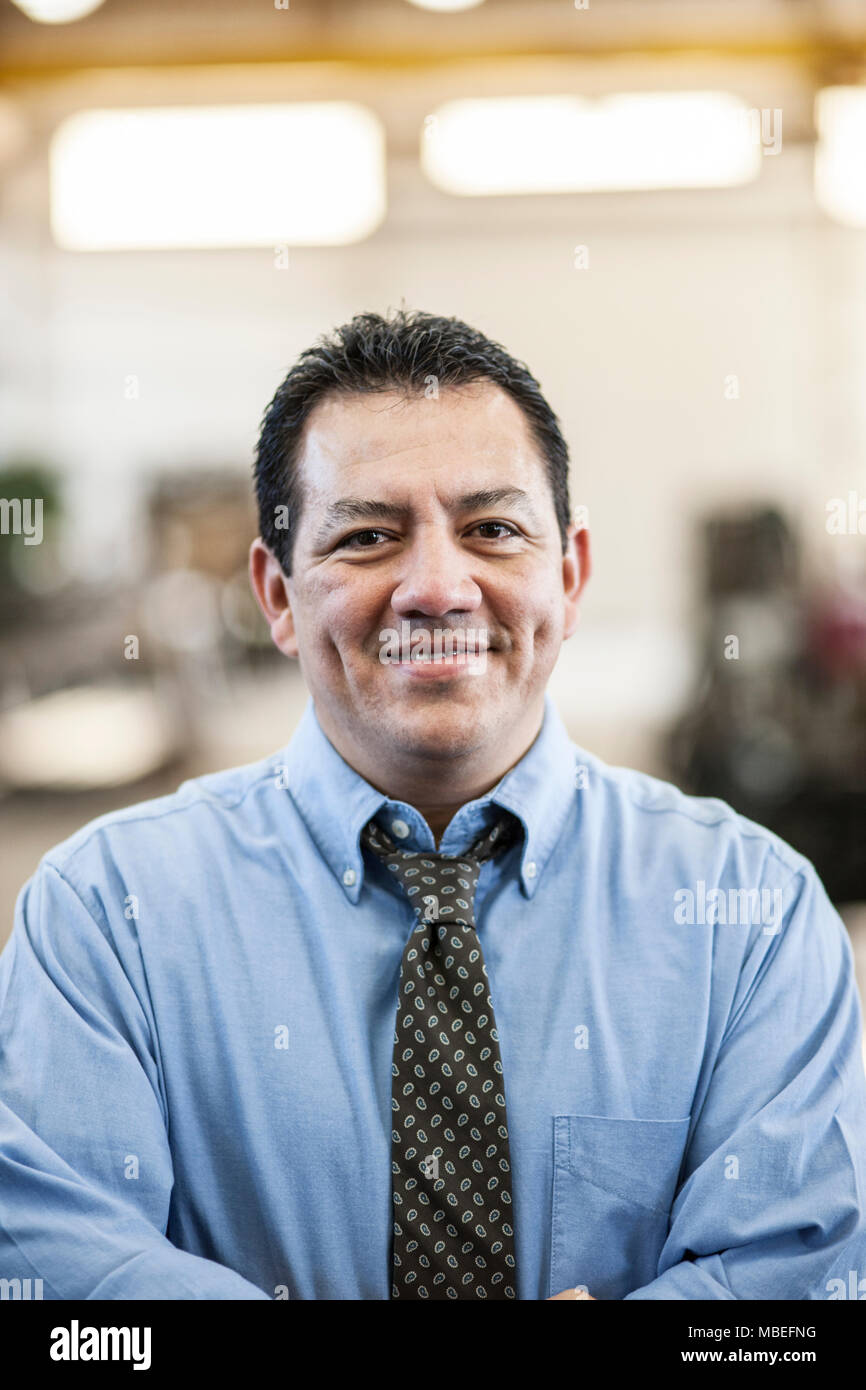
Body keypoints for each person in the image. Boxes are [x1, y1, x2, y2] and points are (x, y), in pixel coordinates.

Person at [1, 308, 864, 1301]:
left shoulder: (749, 915)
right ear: (276, 594)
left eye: (491, 529)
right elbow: (63, 1301)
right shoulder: (105, 918)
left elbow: (790, 1299)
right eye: (367, 536)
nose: (436, 587)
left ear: (569, 575)